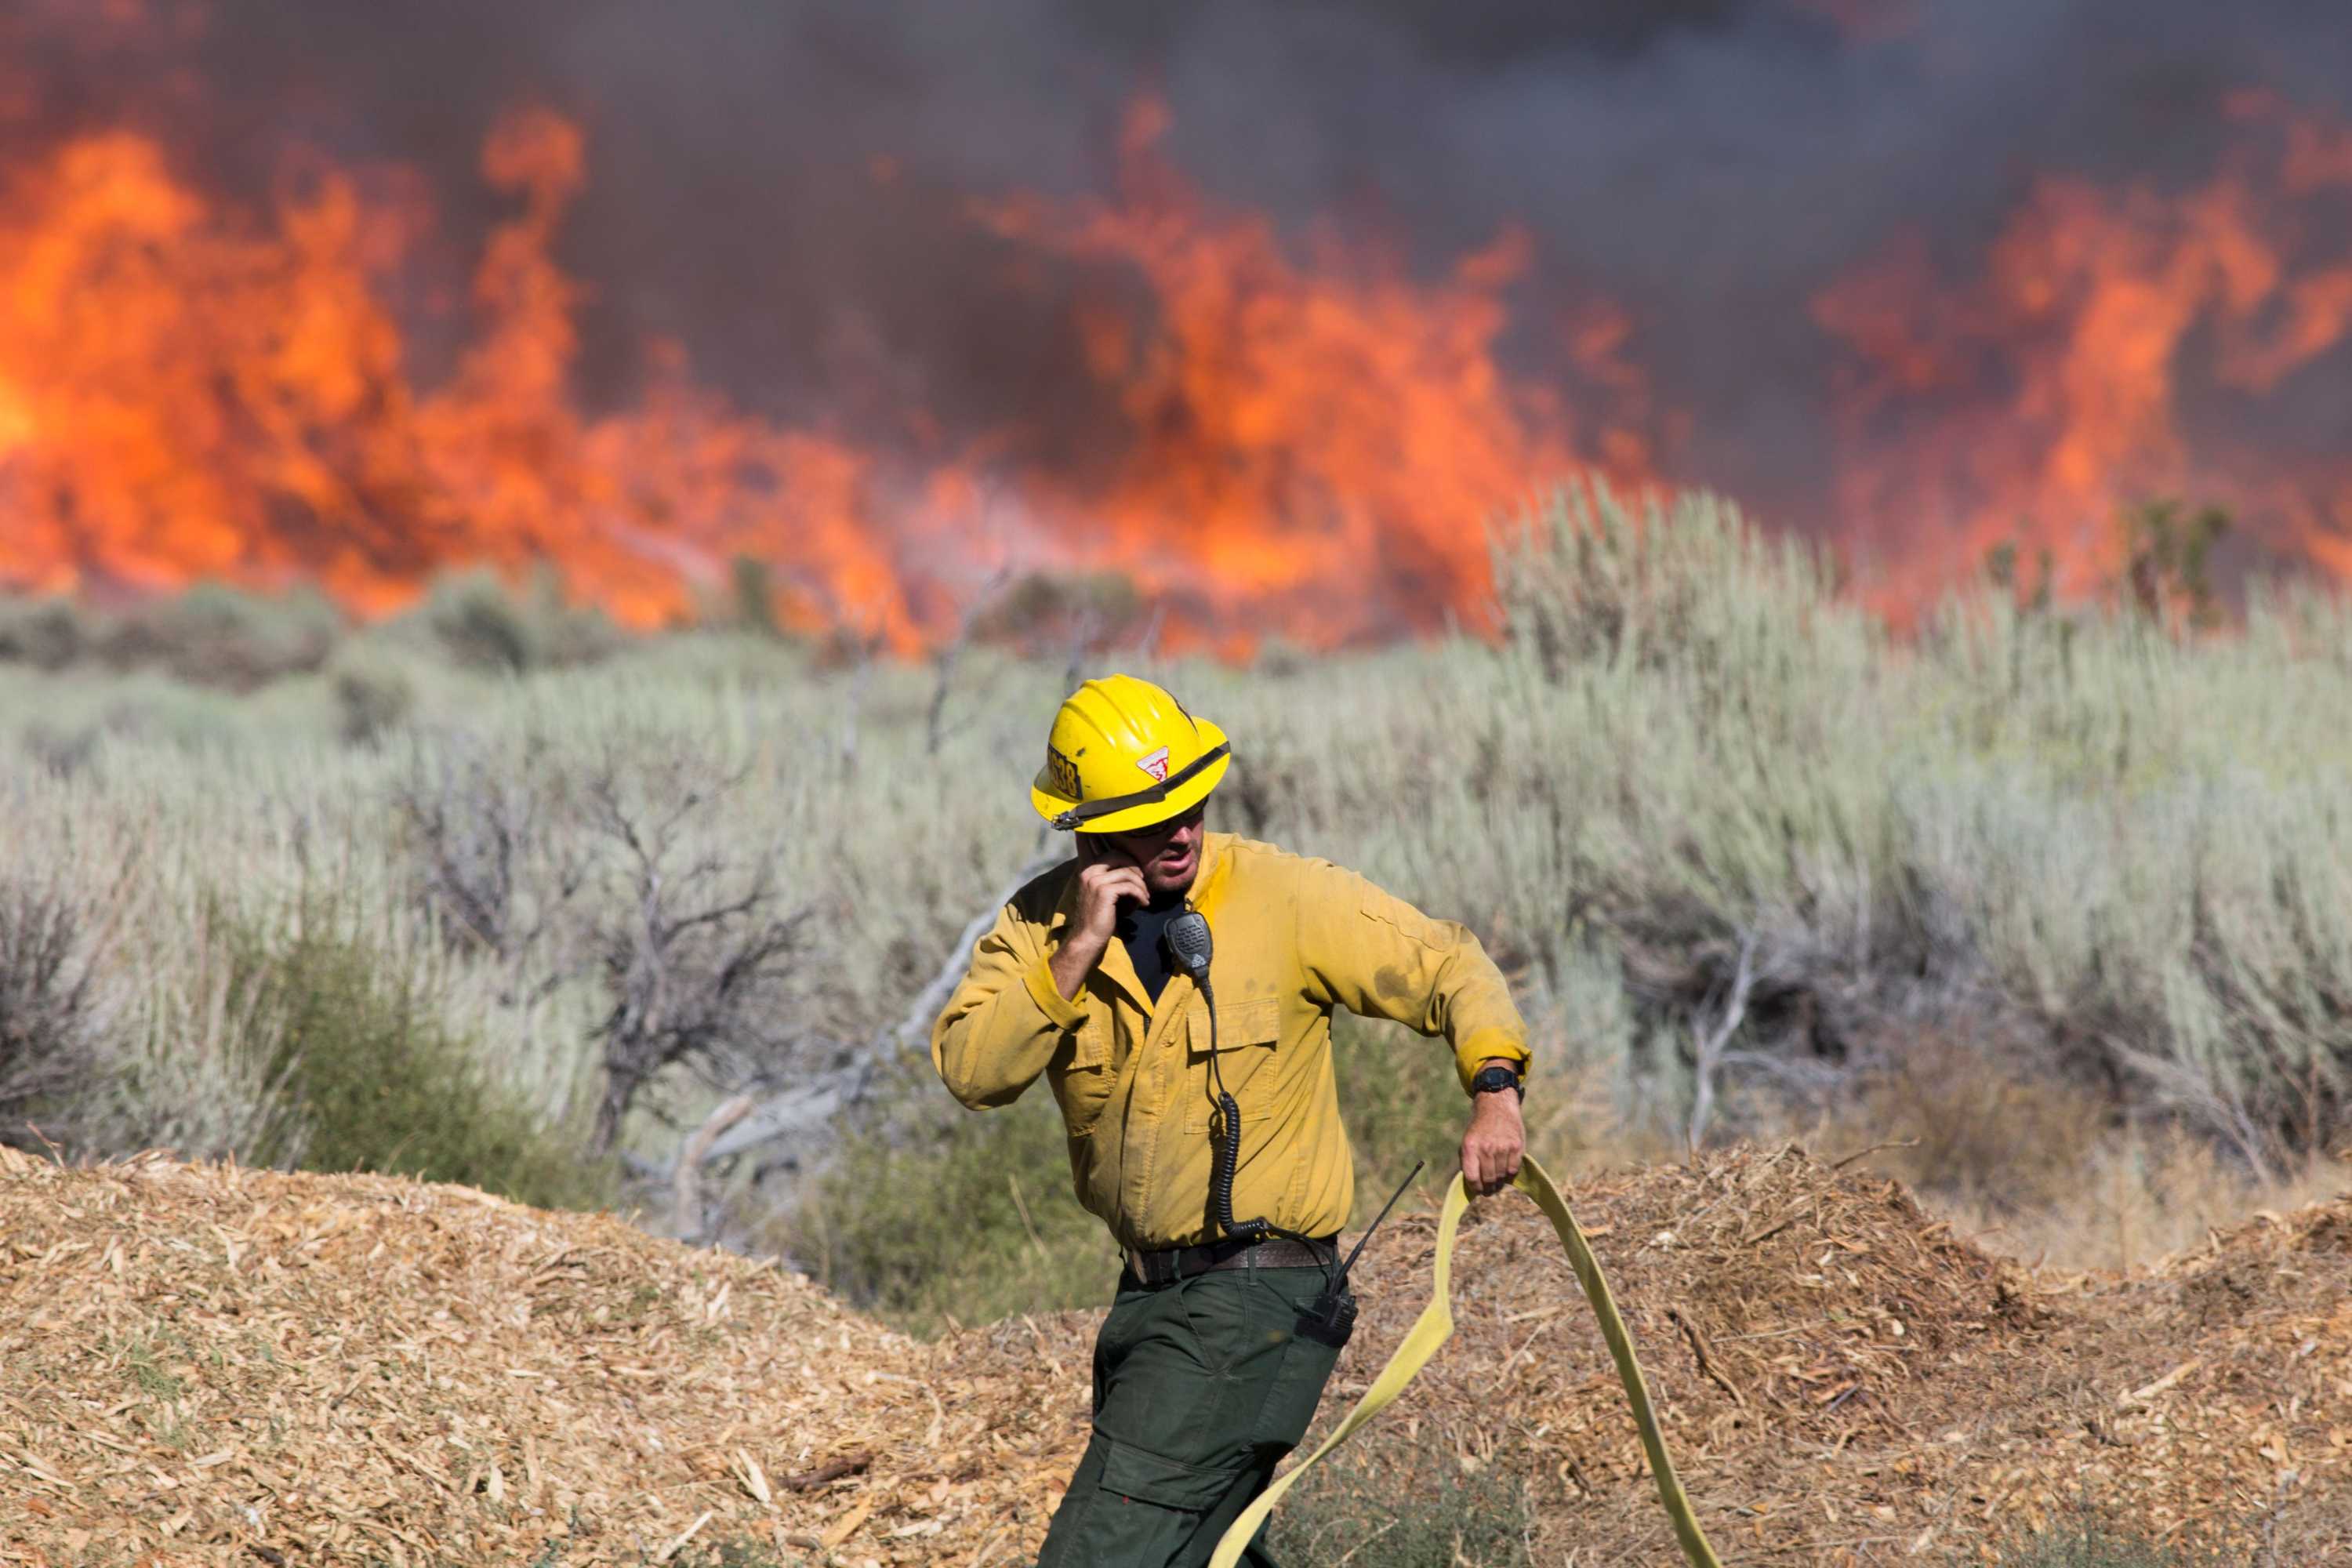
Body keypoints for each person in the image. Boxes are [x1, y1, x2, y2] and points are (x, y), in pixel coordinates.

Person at [931, 673, 1530, 1568]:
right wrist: (1074, 955)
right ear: (1087, 822)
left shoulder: (1284, 896)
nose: (1181, 828)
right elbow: (973, 1070)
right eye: (1152, 810)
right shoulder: (1040, 926)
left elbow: (1447, 964)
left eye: (1193, 800)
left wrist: (1494, 1087)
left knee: (1099, 1552)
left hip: (1256, 1296)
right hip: (1146, 1304)